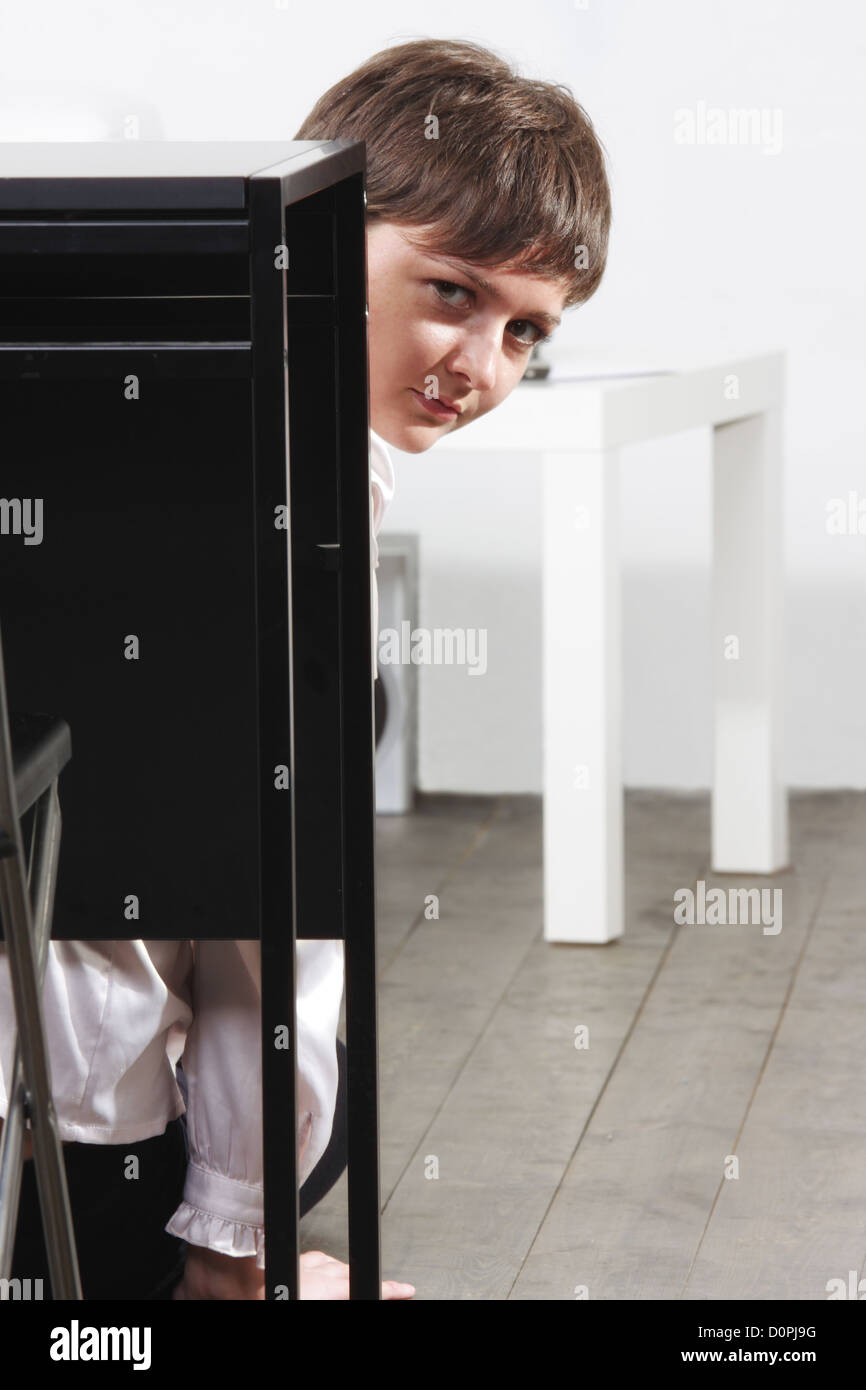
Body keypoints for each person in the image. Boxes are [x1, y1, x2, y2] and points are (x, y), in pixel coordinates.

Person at [1, 35, 611, 1300]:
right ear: (325, 236)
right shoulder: (295, 511)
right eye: (450, 291)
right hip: (63, 1169)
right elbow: (269, 943)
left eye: (524, 335)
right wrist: (240, 1248)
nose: (479, 370)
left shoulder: (90, 400)